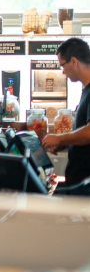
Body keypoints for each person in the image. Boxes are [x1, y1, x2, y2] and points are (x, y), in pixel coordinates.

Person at [42, 38, 90, 188]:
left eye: (63, 65)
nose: (62, 71)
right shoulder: (86, 90)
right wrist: (66, 142)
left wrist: (60, 139)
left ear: (74, 61)